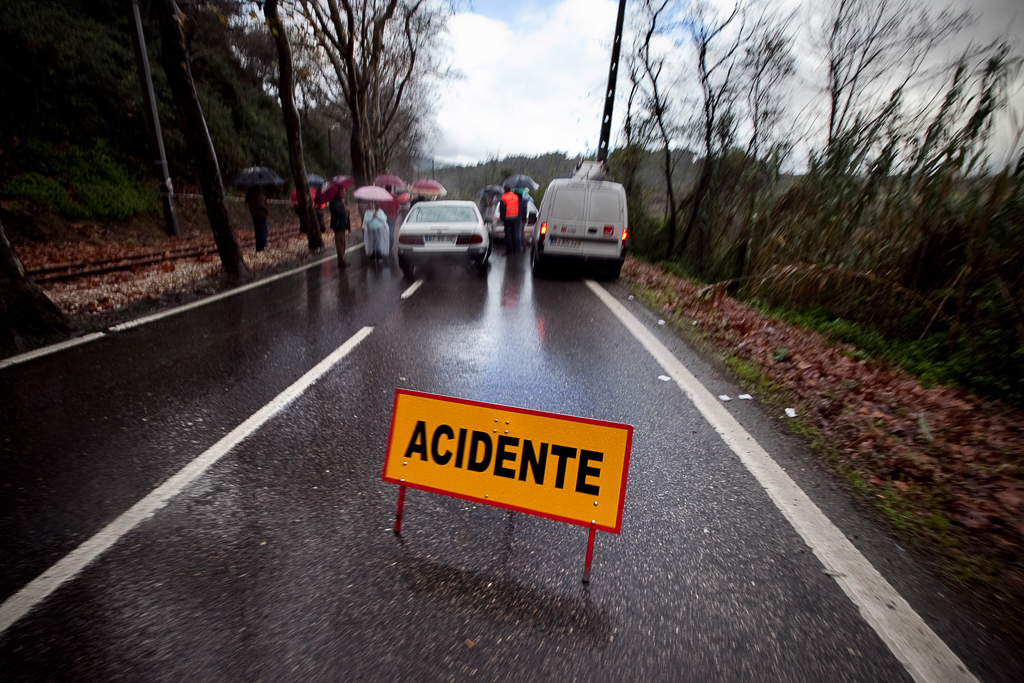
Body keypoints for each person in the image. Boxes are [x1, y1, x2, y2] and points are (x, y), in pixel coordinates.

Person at [245, 184, 269, 252]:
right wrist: (266, 208)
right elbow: (261, 203)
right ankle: (261, 247)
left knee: (257, 230)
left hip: (253, 213)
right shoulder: (259, 192)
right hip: (261, 213)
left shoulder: (249, 191)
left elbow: (246, 200)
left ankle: (259, 246)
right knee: (262, 231)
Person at [329, 194, 350, 267]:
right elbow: (336, 211)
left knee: (342, 242)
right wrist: (344, 209)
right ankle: (340, 261)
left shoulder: (340, 201)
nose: (343, 192)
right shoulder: (334, 201)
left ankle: (341, 259)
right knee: (340, 243)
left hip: (342, 224)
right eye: (341, 191)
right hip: (338, 225)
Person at [499, 185, 520, 255]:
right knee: (514, 233)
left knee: (508, 235)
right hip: (515, 217)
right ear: (510, 189)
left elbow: (502, 209)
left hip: (507, 218)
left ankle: (509, 250)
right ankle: (515, 249)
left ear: (504, 190)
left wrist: (502, 218)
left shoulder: (503, 197)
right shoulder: (515, 196)